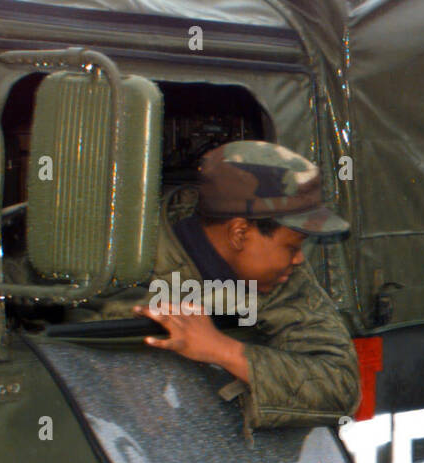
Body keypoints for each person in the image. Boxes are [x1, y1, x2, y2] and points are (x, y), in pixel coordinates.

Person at [131, 140, 359, 432]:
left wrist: (222, 350)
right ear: (239, 233)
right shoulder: (134, 258)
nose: (300, 259)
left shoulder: (281, 274)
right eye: (292, 246)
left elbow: (339, 386)